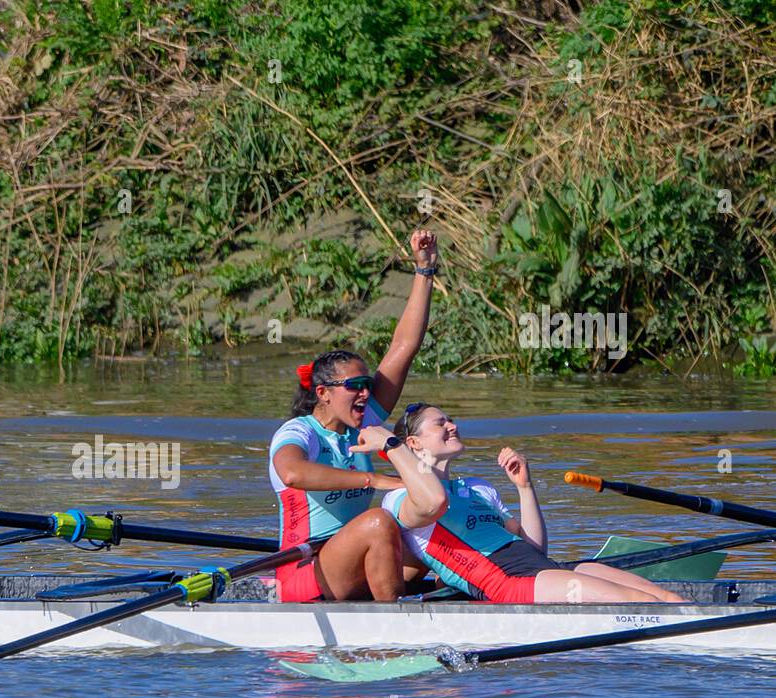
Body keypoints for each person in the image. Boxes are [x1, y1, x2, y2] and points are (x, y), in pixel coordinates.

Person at [367, 402, 686, 603]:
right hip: (510, 584)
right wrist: (393, 447)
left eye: (451, 419)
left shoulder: (477, 488)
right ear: (413, 443)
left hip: (545, 568)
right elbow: (431, 502)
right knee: (638, 601)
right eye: (441, 423)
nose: (453, 426)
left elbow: (536, 549)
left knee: (664, 596)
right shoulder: (399, 499)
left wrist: (525, 487)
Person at [268, 229, 438, 602]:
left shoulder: (364, 423)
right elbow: (292, 473)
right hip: (302, 574)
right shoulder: (300, 433)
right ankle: (395, 628)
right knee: (379, 521)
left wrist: (424, 271)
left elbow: (404, 347)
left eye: (367, 383)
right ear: (323, 394)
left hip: (352, 562)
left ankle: (471, 593)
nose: (366, 391)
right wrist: (372, 480)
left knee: (431, 514)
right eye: (354, 386)